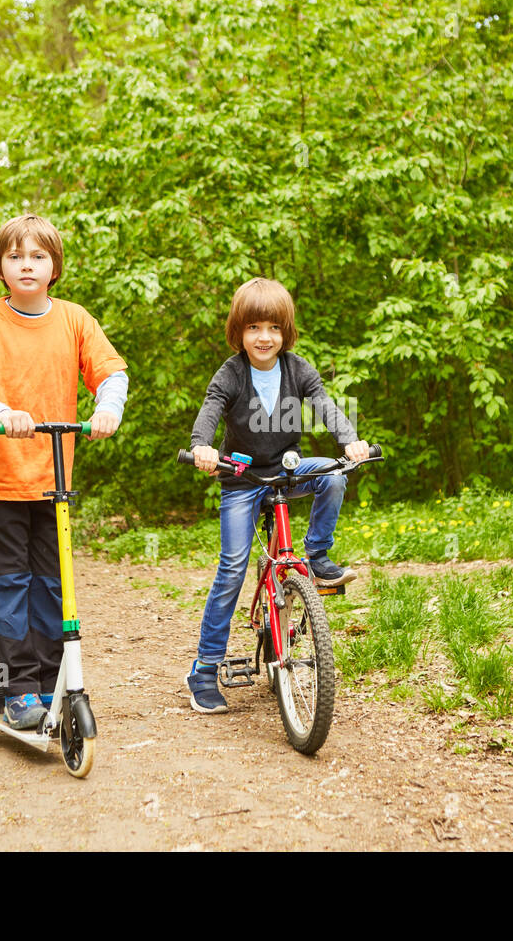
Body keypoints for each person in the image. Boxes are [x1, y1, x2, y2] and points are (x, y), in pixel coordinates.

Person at [0, 213, 128, 730]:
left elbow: (111, 371)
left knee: (53, 585)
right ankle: (20, 687)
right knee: (9, 584)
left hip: (54, 483)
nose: (27, 265)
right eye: (16, 256)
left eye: (38, 256)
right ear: (1, 268)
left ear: (54, 267)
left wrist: (108, 407)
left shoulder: (74, 319)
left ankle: (52, 678)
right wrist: (0, 413)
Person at [187, 277, 368, 714]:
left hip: (287, 472)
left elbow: (325, 404)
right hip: (242, 479)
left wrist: (350, 440)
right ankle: (204, 670)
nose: (263, 337)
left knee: (333, 475)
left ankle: (317, 556)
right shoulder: (230, 373)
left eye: (272, 327)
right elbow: (211, 409)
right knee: (231, 568)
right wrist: (201, 447)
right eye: (253, 328)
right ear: (239, 332)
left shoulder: (297, 369)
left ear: (285, 331)